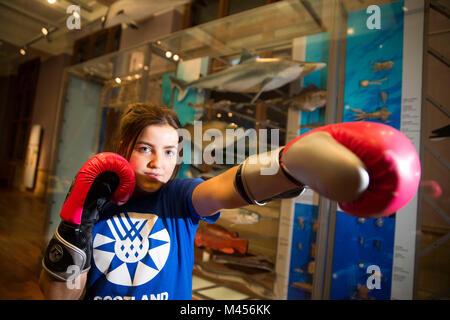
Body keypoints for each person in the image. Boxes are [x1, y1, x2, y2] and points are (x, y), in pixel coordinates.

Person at [39, 103, 420, 300]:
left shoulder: (179, 196)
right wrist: (78, 218)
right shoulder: (95, 201)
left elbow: (225, 188)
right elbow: (59, 296)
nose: (160, 163)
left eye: (170, 152)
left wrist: (288, 164)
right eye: (145, 149)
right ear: (123, 148)